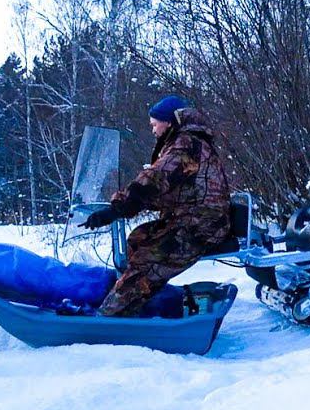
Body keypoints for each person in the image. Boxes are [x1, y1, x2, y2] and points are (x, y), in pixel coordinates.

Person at [79, 95, 231, 317]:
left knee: (147, 260)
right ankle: (138, 301)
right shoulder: (187, 143)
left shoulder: (186, 145)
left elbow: (157, 179)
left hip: (202, 226)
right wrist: (124, 205)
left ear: (169, 122)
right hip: (190, 220)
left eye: (154, 124)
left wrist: (120, 207)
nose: (153, 130)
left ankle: (109, 316)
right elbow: (169, 191)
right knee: (138, 240)